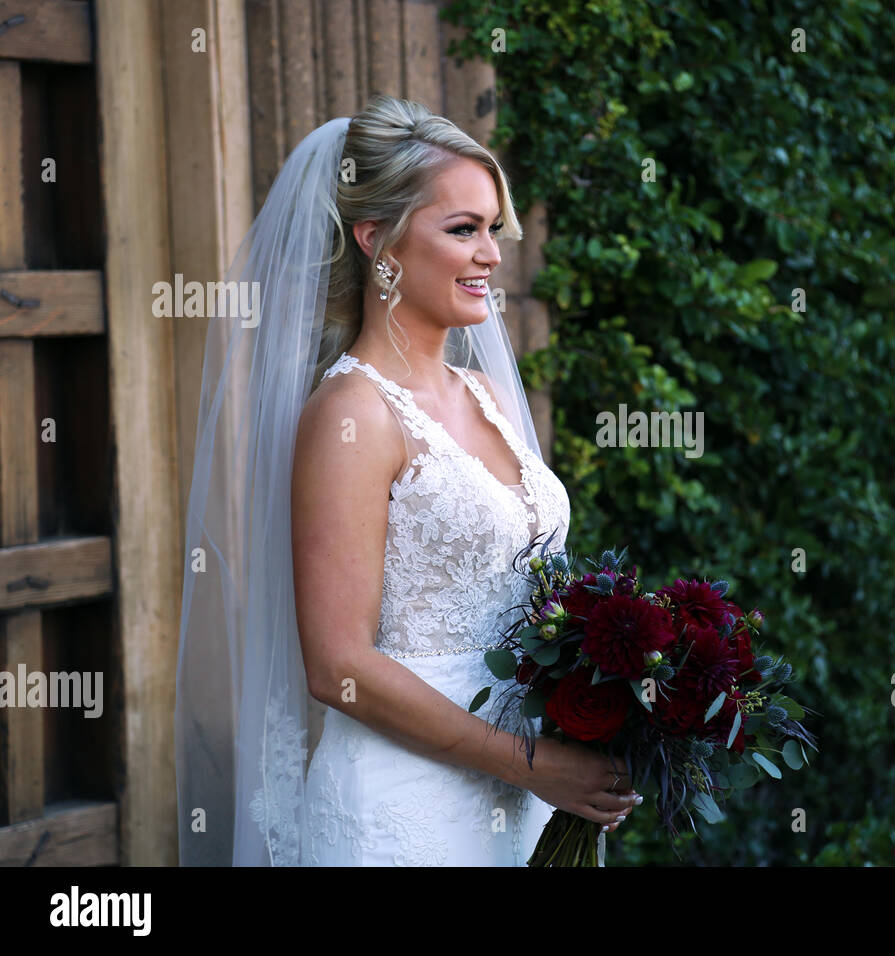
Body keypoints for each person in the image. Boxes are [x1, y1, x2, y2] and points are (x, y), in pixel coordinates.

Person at [175, 94, 638, 866]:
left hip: (520, 801)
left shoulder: (484, 396)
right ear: (377, 241)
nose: (491, 253)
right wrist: (534, 764)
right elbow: (338, 666)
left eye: (494, 228)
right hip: (402, 812)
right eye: (463, 229)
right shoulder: (350, 415)